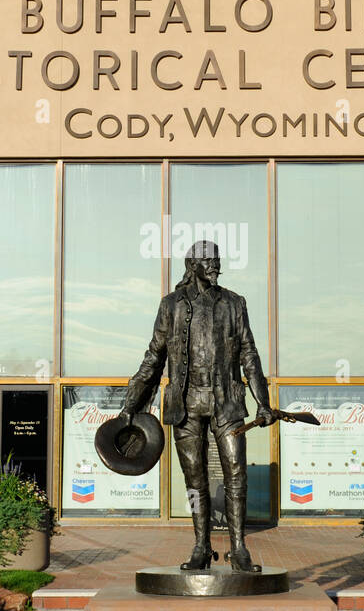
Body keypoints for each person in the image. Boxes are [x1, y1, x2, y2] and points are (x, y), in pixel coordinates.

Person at [116, 240, 277, 571]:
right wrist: (131, 402)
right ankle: (201, 546)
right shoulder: (171, 305)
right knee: (195, 481)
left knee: (236, 474)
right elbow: (154, 356)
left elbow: (249, 353)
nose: (216, 265)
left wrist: (264, 402)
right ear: (193, 266)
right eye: (209, 261)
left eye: (218, 259)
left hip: (227, 405)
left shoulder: (235, 303)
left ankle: (239, 549)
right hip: (185, 406)